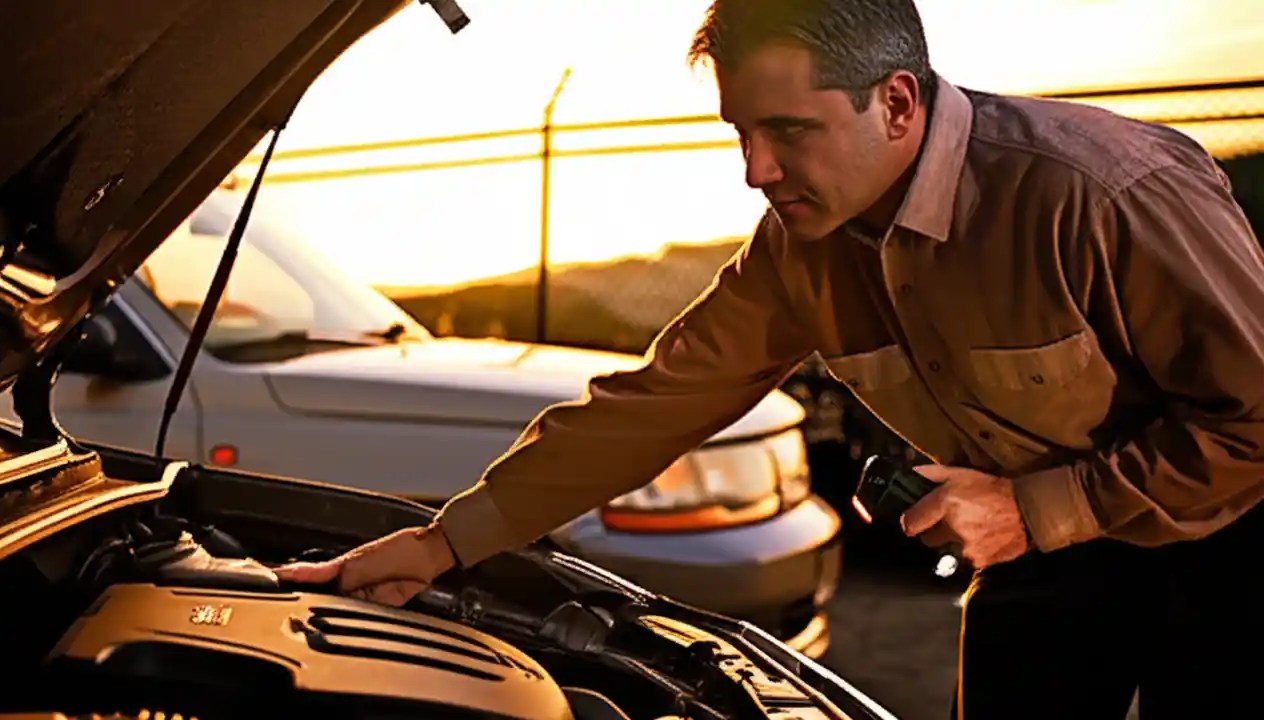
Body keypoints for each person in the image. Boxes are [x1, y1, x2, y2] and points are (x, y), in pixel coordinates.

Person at [275, 1, 1264, 717]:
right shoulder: (797, 246)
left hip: (1234, 543)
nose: (754, 169)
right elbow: (651, 403)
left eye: (787, 131)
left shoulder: (1099, 192)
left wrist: (1031, 508)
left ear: (897, 103)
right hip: (1048, 555)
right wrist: (442, 544)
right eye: (741, 133)